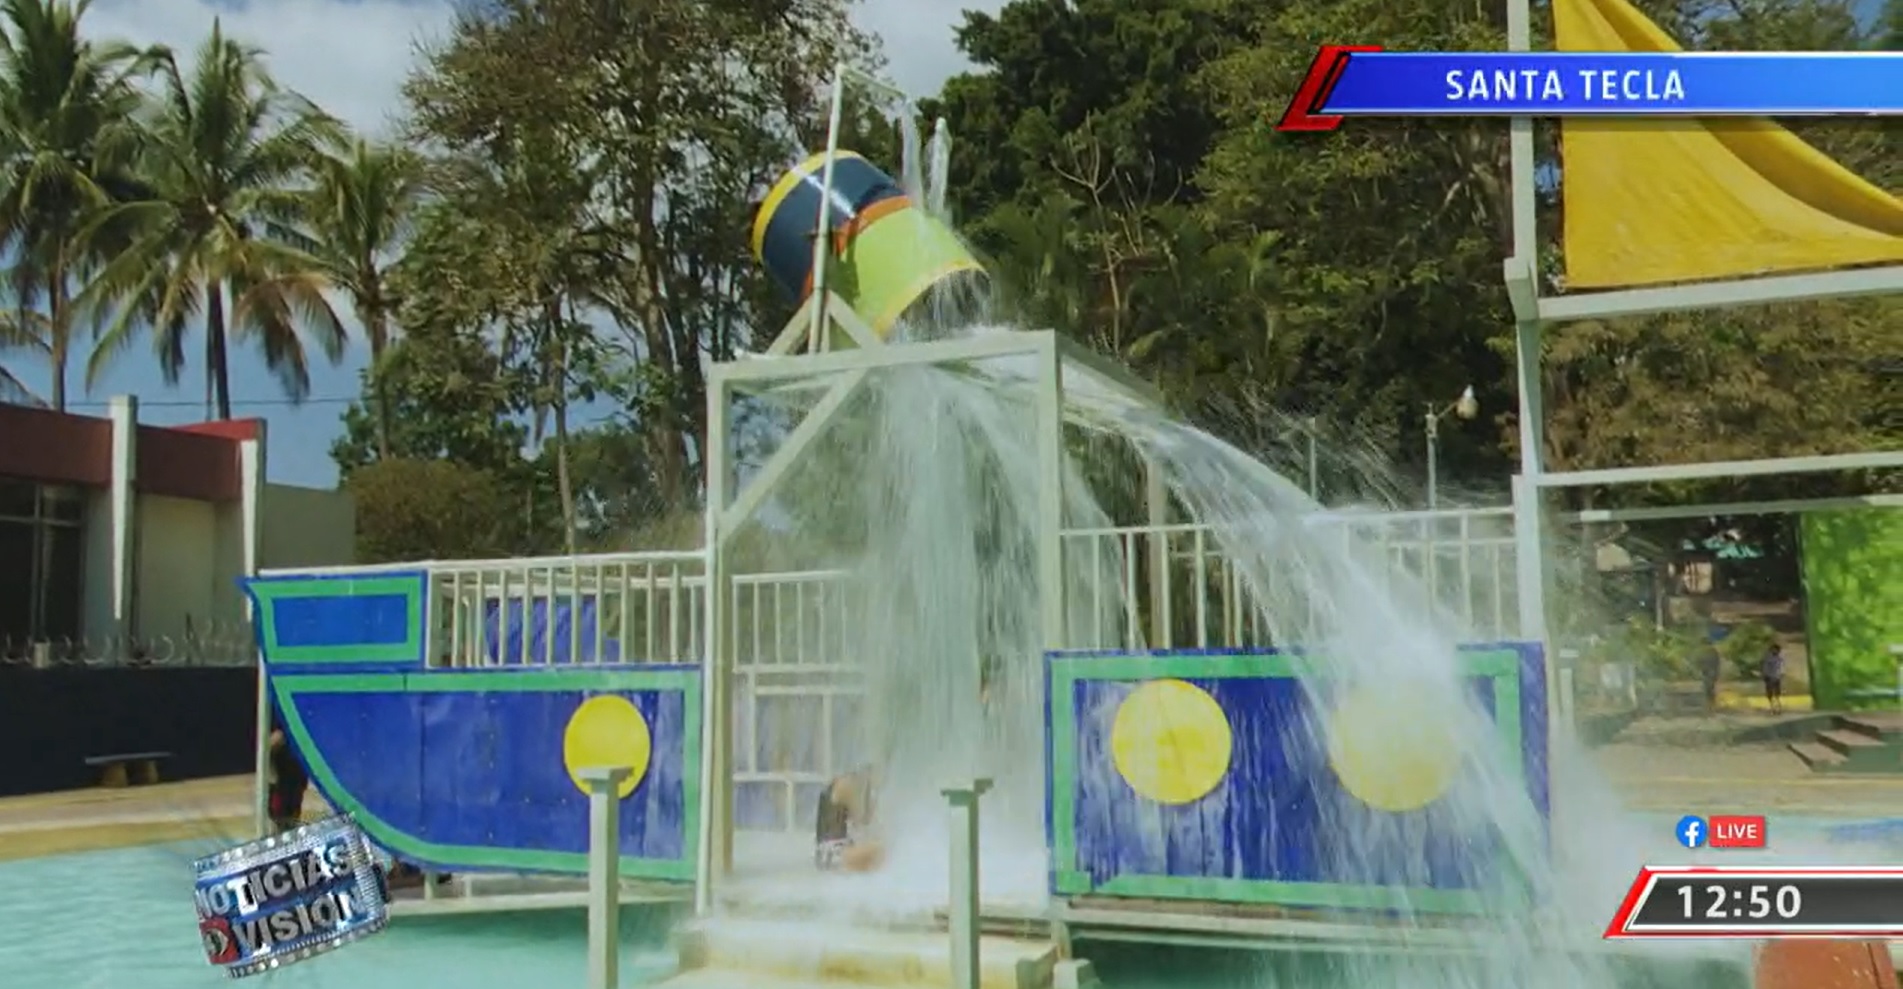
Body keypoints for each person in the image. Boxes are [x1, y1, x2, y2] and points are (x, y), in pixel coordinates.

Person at [814, 765, 884, 873]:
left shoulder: (840, 784)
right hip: (836, 852)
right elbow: (863, 821)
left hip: (825, 851)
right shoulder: (848, 786)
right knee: (885, 852)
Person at [266, 712, 309, 833]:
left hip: (294, 781)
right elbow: (268, 747)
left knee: (291, 811)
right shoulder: (278, 733)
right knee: (281, 815)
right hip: (282, 784)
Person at [1696, 638, 1723, 711]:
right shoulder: (1711, 652)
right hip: (1707, 673)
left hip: (1710, 673)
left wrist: (1716, 674)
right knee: (1708, 690)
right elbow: (1700, 662)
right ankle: (1710, 706)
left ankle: (1711, 706)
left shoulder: (1712, 652)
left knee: (1709, 689)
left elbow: (1716, 664)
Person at [1761, 643, 1786, 715]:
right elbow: (1765, 668)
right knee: (1771, 694)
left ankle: (1776, 708)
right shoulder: (1769, 658)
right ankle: (1774, 708)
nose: (1775, 651)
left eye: (1776, 650)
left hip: (1774, 678)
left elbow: (1782, 669)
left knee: (1775, 694)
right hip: (1770, 678)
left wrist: (1781, 675)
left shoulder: (1779, 659)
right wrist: (1765, 675)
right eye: (1773, 649)